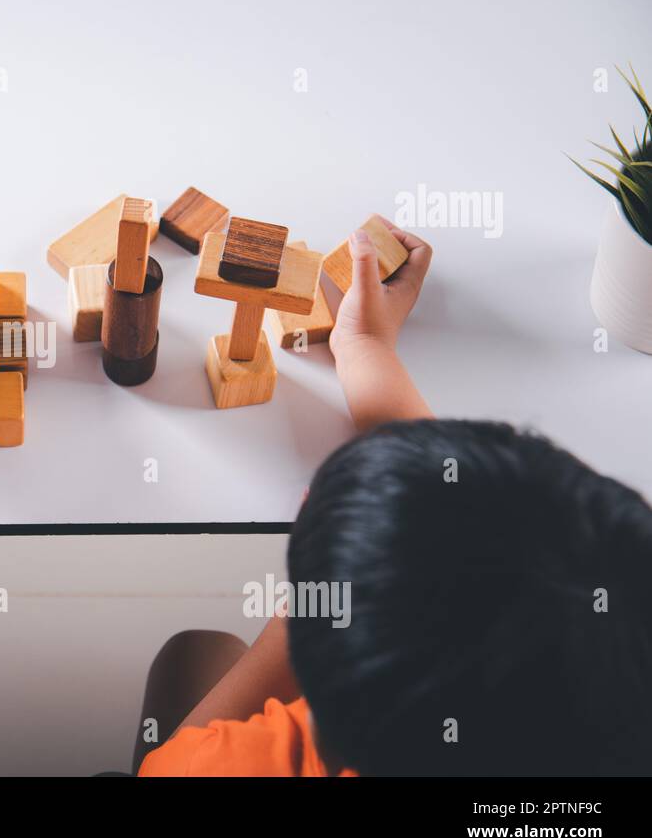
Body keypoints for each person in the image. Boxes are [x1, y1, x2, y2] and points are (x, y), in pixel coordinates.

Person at [137, 218, 652, 775]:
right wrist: (364, 347)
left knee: (191, 653)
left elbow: (170, 765)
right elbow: (482, 545)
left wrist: (311, 606)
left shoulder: (255, 763)